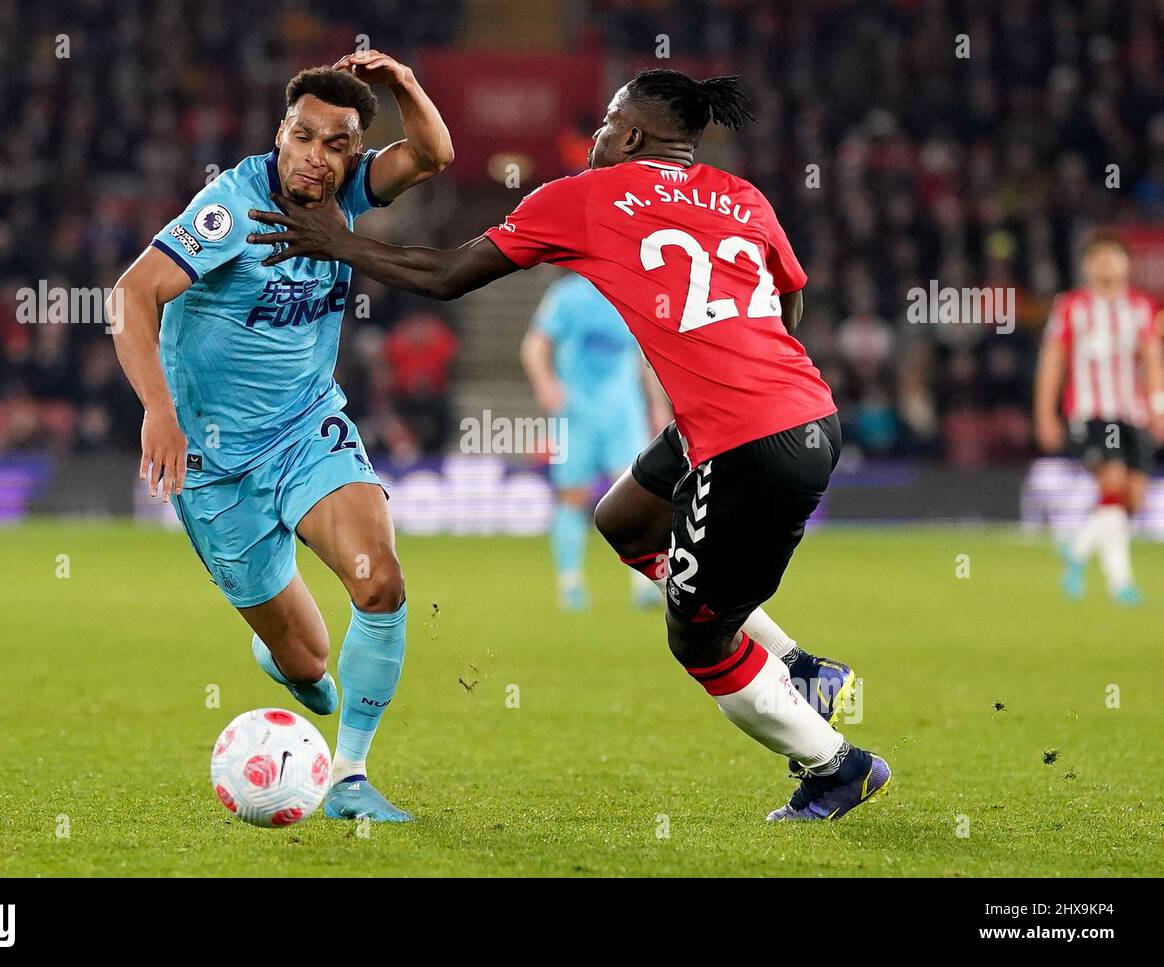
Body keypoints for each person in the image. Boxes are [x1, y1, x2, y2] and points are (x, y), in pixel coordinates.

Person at [250, 68, 890, 822]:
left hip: (748, 442)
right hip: (798, 409)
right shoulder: (742, 196)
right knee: (625, 519)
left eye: (605, 122)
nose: (594, 137)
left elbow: (449, 273)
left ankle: (837, 767)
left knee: (699, 640)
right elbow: (790, 298)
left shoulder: (586, 197)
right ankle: (800, 666)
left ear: (630, 136)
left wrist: (336, 241)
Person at [108, 51, 454, 823]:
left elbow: (434, 154)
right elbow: (132, 292)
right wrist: (157, 408)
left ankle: (351, 777)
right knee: (310, 663)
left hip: (308, 429)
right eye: (304, 137)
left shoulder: (344, 197)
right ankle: (285, 659)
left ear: (352, 153)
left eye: (336, 145)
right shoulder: (230, 210)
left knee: (380, 582)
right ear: (281, 133)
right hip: (215, 463)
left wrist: (401, 85)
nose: (315, 156)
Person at [520, 271, 666, 610]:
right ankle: (570, 584)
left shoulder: (629, 290)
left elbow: (643, 354)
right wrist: (545, 384)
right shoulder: (568, 294)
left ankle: (644, 583)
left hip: (623, 411)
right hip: (577, 412)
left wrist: (657, 403)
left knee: (639, 496)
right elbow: (534, 345)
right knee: (573, 497)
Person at [1034, 231, 1164, 606]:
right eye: (1098, 257)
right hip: (1092, 413)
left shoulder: (1142, 307)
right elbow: (1053, 361)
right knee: (1114, 483)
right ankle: (1121, 583)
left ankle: (1078, 548)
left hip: (1133, 413)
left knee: (1133, 499)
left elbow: (1153, 361)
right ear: (1087, 266)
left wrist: (1157, 408)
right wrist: (1045, 413)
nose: (1106, 263)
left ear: (1128, 264)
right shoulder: (1071, 307)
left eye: (1114, 256)